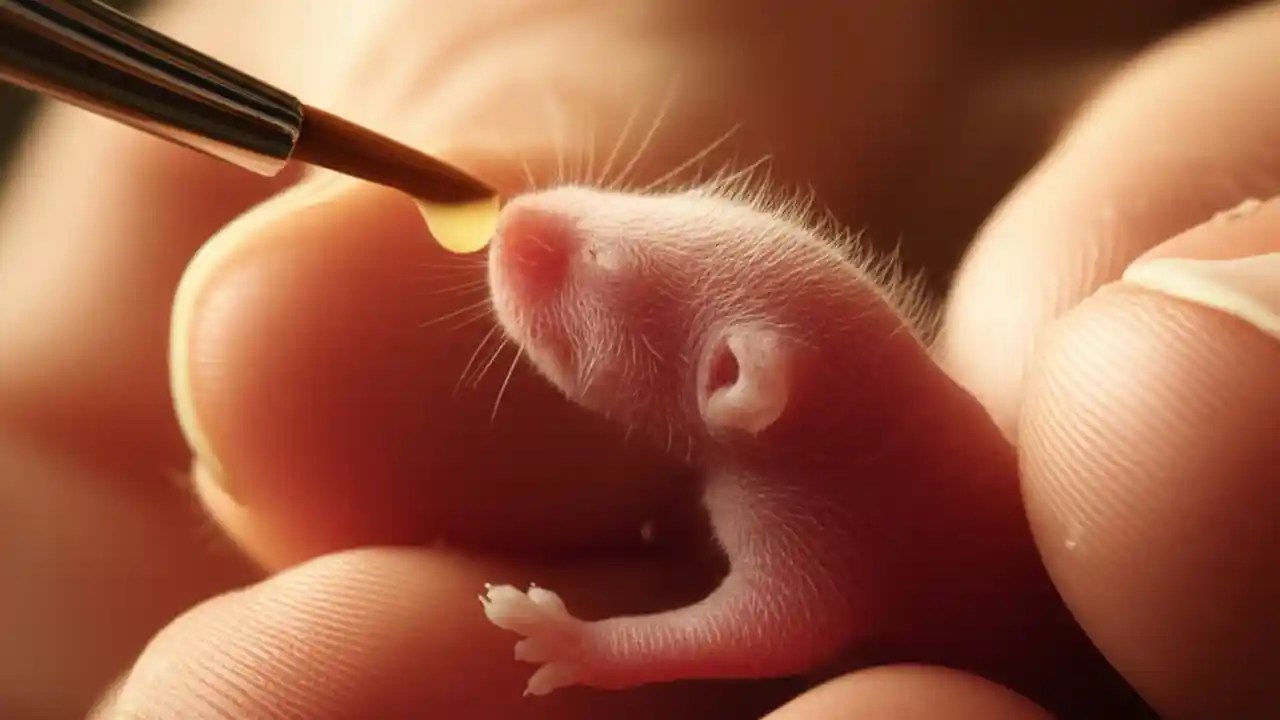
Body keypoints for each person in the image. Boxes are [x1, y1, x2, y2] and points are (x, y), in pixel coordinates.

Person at [0, 0, 1274, 717]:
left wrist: (598, 647)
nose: (538, 229)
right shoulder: (794, 426)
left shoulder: (830, 486)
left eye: (593, 274)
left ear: (738, 386)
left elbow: (773, 619)